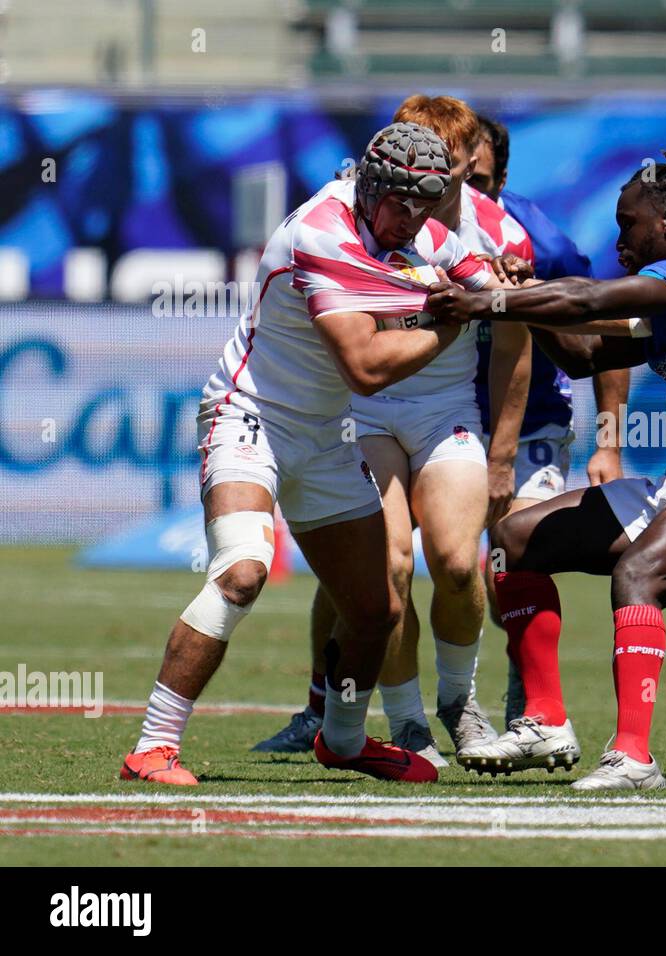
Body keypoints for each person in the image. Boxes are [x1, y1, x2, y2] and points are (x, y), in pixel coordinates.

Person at [120, 122, 500, 785]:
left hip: (326, 436)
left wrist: (505, 292)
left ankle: (344, 740)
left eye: (425, 202)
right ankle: (153, 746)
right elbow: (365, 367)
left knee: (375, 608)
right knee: (243, 572)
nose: (412, 219)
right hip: (251, 416)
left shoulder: (424, 235)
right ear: (370, 187)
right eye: (401, 201)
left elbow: (488, 284)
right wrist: (451, 318)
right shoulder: (322, 232)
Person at [423, 146, 666, 791]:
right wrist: (518, 294)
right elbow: (582, 355)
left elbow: (585, 298)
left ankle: (633, 758)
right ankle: (543, 720)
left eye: (628, 224)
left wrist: (487, 305)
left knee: (637, 572)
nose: (620, 239)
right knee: (514, 542)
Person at [250, 95, 533, 766]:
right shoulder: (334, 220)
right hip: (364, 413)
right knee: (391, 567)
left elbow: (515, 329)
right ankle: (406, 722)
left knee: (461, 563)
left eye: (434, 174)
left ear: (464, 165)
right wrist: (455, 313)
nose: (413, 195)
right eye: (402, 177)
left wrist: (504, 452)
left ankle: (460, 703)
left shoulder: (499, 236)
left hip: (445, 411)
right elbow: (364, 362)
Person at [471, 113, 629, 724]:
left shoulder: (544, 239)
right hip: (438, 423)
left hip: (532, 422)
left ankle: (530, 709)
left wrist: (609, 442)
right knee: (392, 563)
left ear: (503, 177)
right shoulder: (411, 232)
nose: (466, 195)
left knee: (510, 557)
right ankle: (328, 705)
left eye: (480, 181)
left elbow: (609, 333)